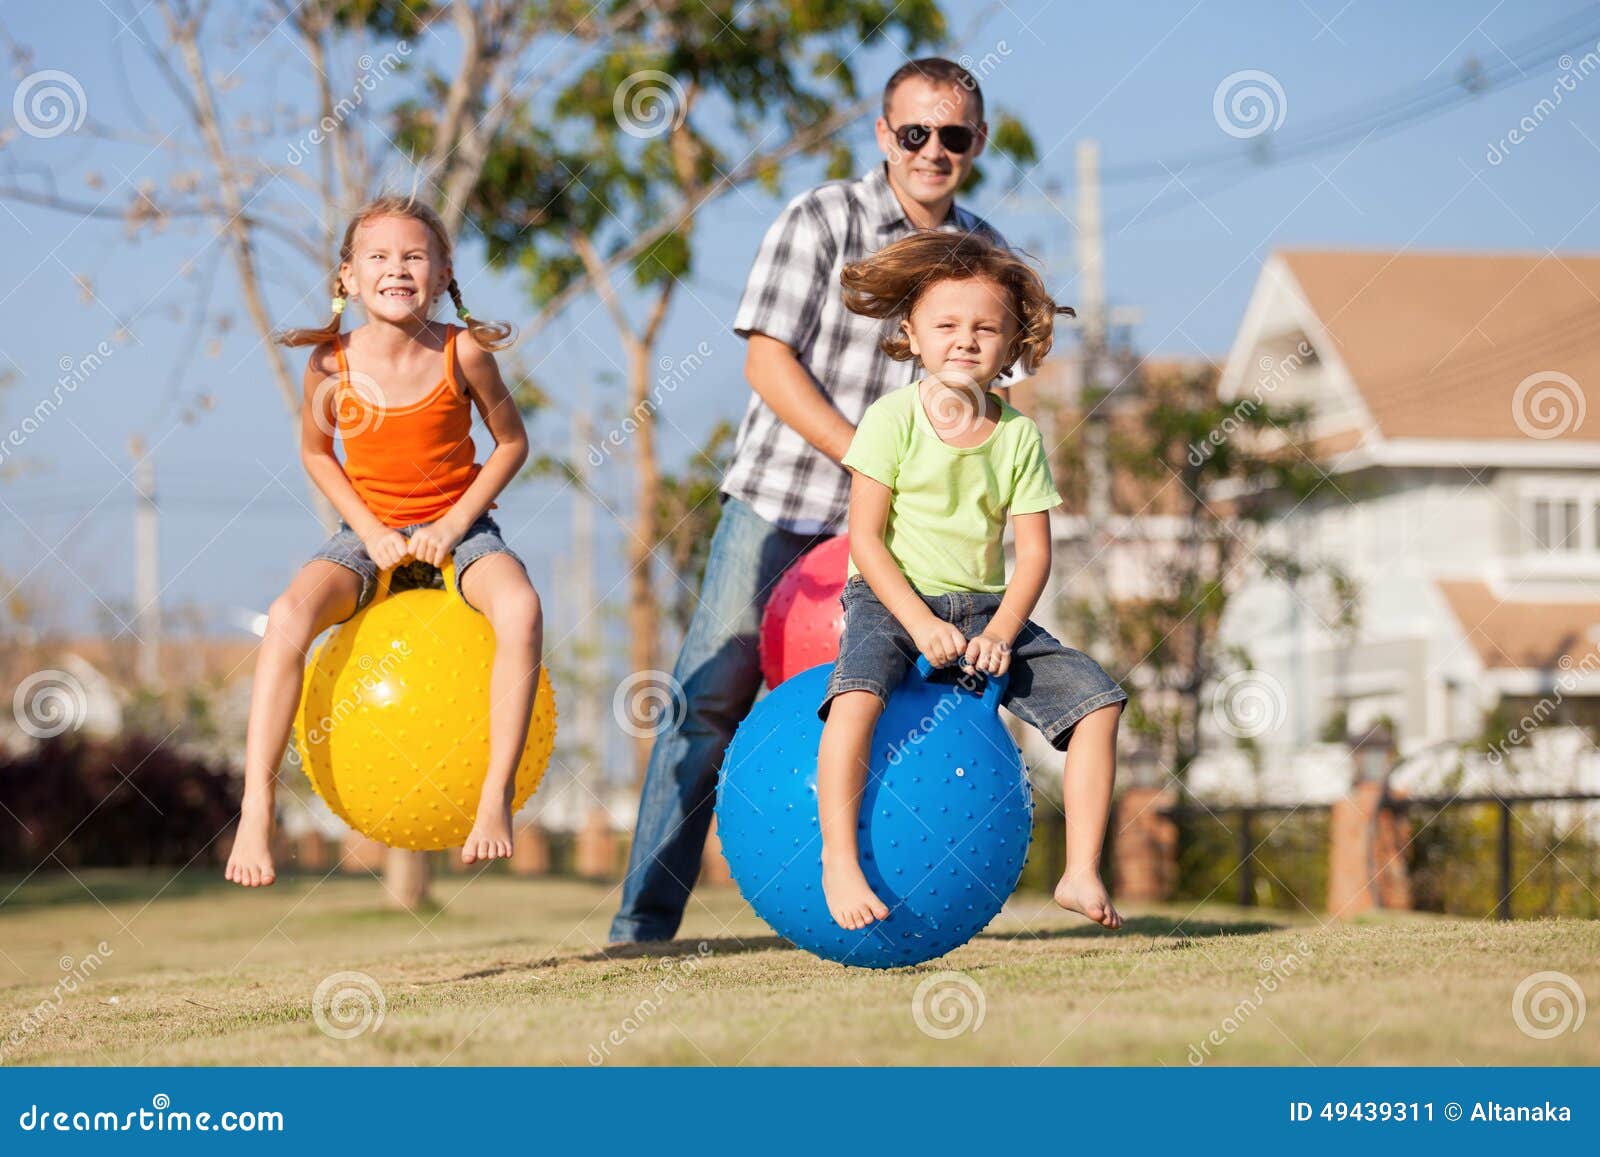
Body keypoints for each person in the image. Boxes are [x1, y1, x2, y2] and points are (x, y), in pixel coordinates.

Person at [611, 58, 1011, 943]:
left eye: (953, 136)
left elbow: (992, 400)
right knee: (709, 699)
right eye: (915, 133)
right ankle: (643, 923)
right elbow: (767, 361)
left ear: (976, 144)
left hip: (914, 538)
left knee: (901, 707)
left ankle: (889, 905)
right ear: (884, 135)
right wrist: (872, 460)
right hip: (782, 506)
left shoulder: (985, 254)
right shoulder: (821, 218)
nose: (933, 151)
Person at [817, 229, 1130, 932]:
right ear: (912, 334)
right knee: (856, 695)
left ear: (1013, 343)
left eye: (986, 328)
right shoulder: (891, 418)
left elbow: (1036, 556)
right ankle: (839, 858)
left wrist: (999, 632)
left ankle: (1079, 870)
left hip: (987, 609)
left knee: (1099, 703)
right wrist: (920, 624)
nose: (966, 340)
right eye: (947, 325)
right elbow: (865, 539)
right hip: (889, 595)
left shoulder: (1018, 437)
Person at [225, 194, 542, 886]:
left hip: (460, 529)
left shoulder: (465, 352)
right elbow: (316, 454)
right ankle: (257, 806)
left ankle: (494, 796)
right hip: (365, 534)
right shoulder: (330, 364)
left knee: (521, 608)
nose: (395, 269)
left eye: (413, 256)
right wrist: (370, 531)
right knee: (285, 617)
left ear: (442, 272)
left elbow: (512, 442)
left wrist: (454, 526)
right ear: (347, 277)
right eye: (378, 257)